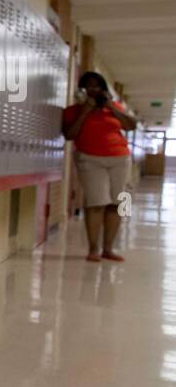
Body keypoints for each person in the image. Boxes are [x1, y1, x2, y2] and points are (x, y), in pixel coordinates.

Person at [61, 71, 137, 262]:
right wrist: (85, 110)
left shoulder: (113, 107)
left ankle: (108, 248)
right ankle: (94, 248)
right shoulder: (72, 110)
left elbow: (130, 125)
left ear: (103, 90)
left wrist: (111, 106)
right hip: (90, 160)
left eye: (97, 86)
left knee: (118, 203)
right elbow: (70, 135)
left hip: (120, 159)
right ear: (82, 90)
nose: (93, 90)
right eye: (89, 86)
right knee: (96, 203)